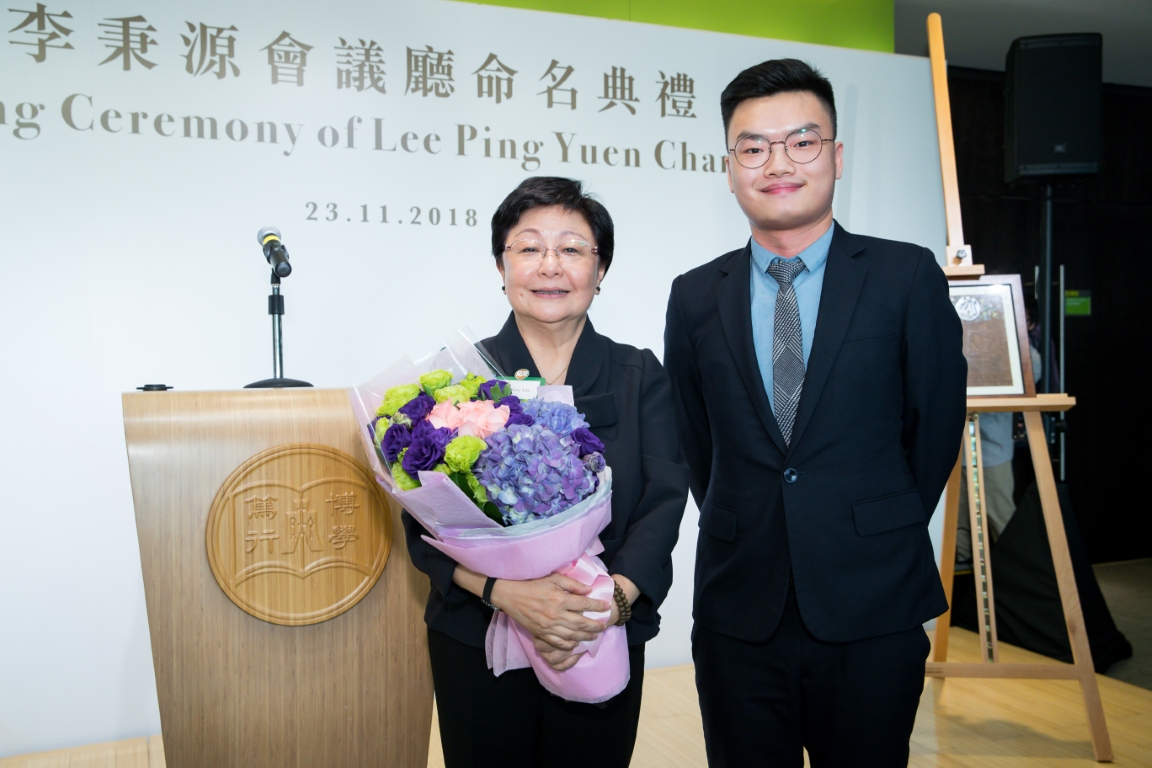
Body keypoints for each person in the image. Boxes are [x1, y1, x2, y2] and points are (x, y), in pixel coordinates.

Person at [662, 59, 967, 767]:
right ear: (731, 164)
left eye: (802, 141)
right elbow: (696, 440)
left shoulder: (904, 275)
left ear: (834, 155)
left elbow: (933, 427)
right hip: (741, 607)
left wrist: (867, 519)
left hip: (873, 601)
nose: (778, 163)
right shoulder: (695, 294)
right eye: (754, 146)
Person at [402, 176, 690, 768]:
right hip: (479, 636)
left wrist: (608, 602)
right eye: (529, 248)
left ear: (600, 269)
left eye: (572, 249)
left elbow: (664, 499)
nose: (549, 266)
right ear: (502, 267)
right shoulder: (456, 378)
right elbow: (420, 522)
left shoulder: (640, 375)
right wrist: (504, 592)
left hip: (599, 631)